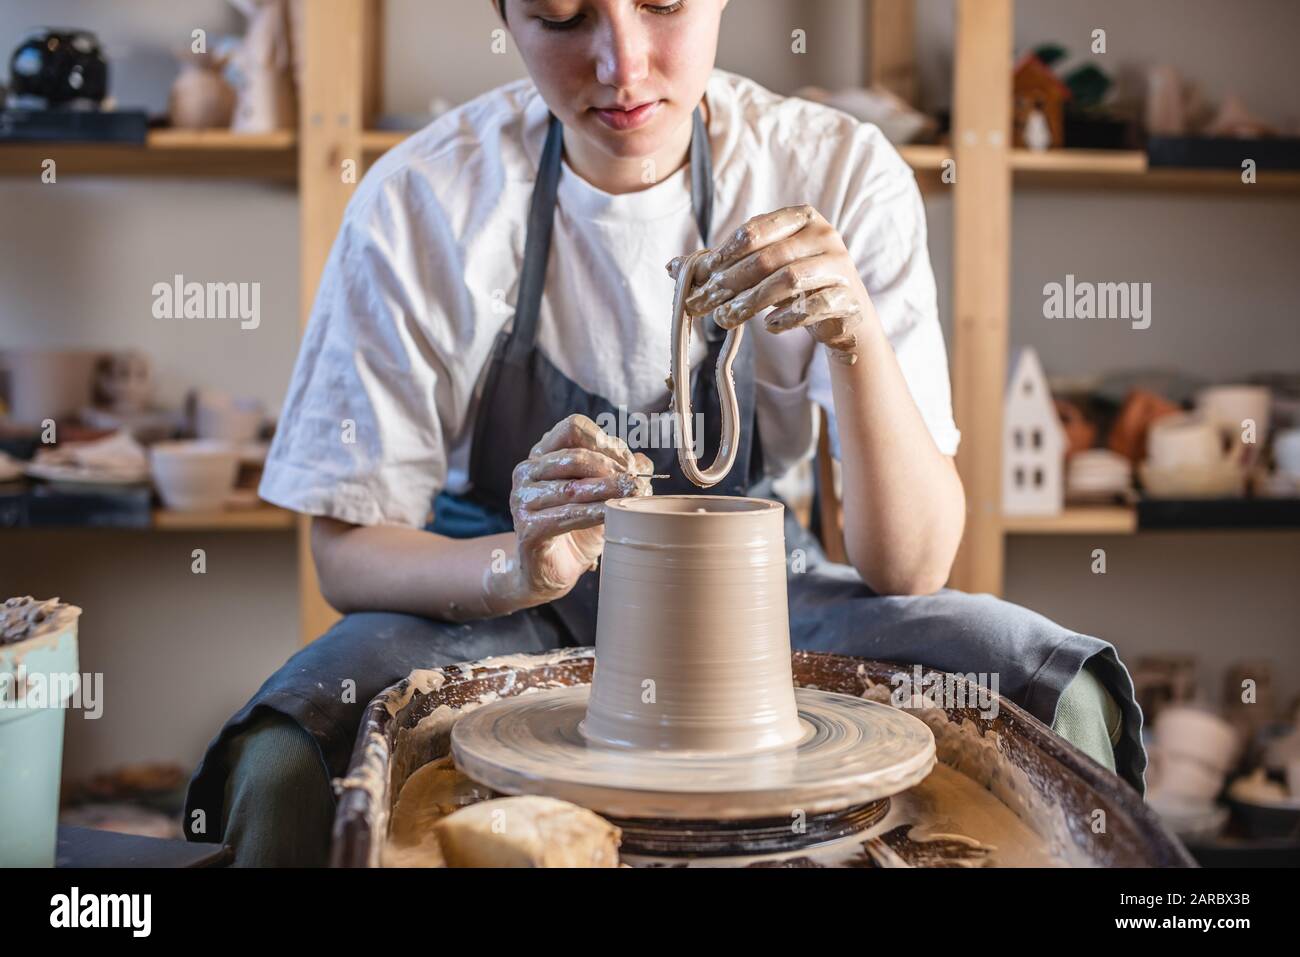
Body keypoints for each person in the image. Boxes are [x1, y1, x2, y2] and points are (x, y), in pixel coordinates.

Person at [184, 0, 1143, 866]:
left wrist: (852, 336)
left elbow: (912, 563)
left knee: (1050, 688)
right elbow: (345, 550)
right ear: (505, 15)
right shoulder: (423, 199)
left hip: (771, 594)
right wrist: (513, 569)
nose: (624, 65)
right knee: (284, 756)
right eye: (563, 17)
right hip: (497, 601)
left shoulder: (836, 170)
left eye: (663, 5)